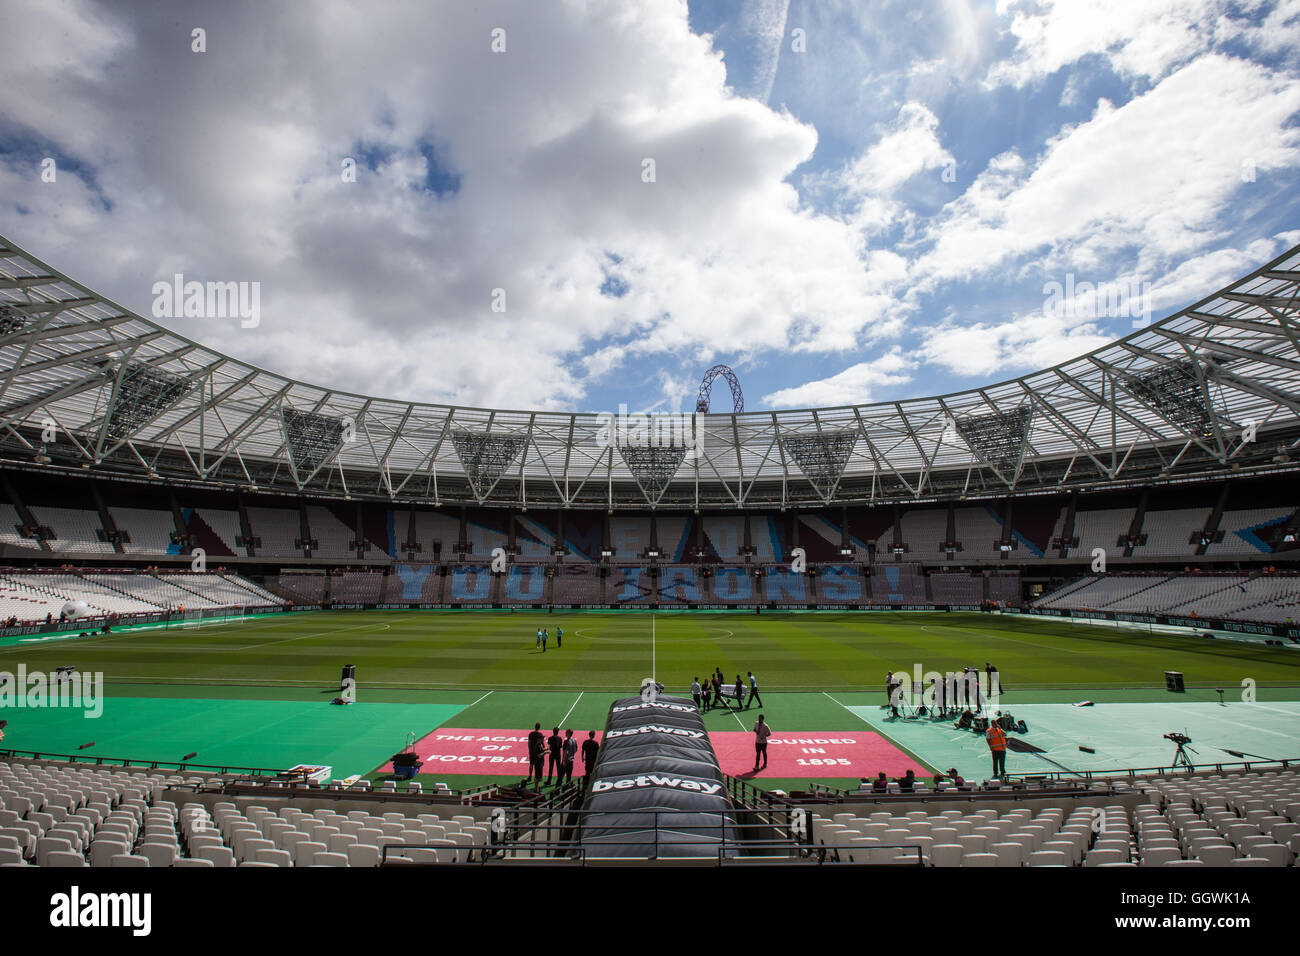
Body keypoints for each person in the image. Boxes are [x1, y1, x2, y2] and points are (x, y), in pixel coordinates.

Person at [527, 723, 546, 788]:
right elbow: (542, 743)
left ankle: (530, 775)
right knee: (538, 765)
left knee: (531, 764)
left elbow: (529, 742)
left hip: (532, 751)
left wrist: (529, 750)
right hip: (538, 751)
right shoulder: (540, 734)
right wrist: (544, 749)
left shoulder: (531, 734)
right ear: (539, 727)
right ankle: (536, 778)